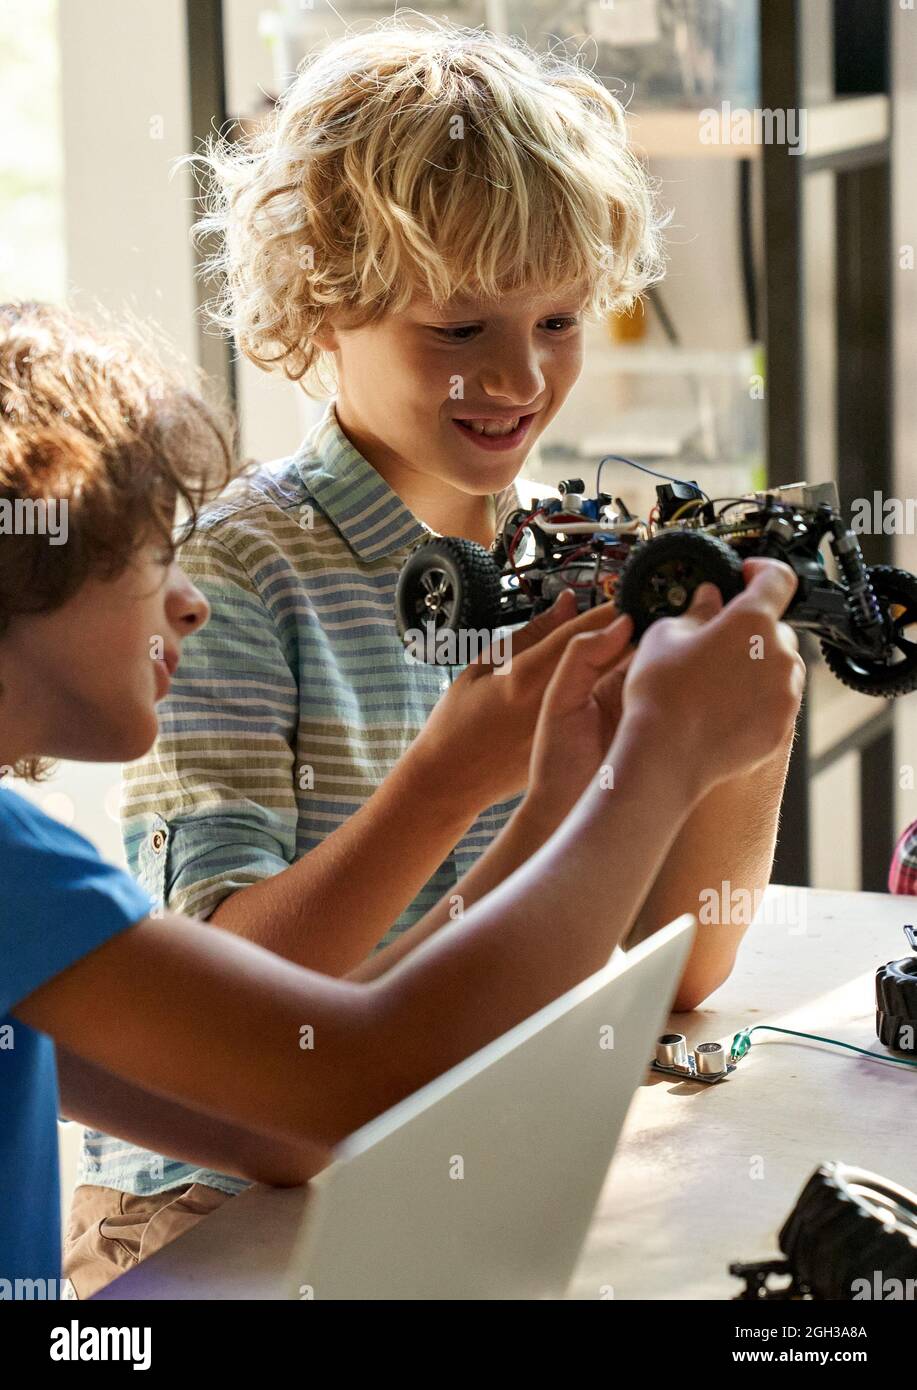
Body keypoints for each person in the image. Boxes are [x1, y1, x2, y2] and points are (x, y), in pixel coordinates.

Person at [66, 16, 803, 1290]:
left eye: (560, 320)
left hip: (462, 1141)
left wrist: (736, 732)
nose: (517, 374)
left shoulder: (567, 558)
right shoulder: (237, 581)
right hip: (211, 1207)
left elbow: (684, 959)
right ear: (316, 312)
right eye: (456, 329)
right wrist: (454, 776)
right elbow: (230, 986)